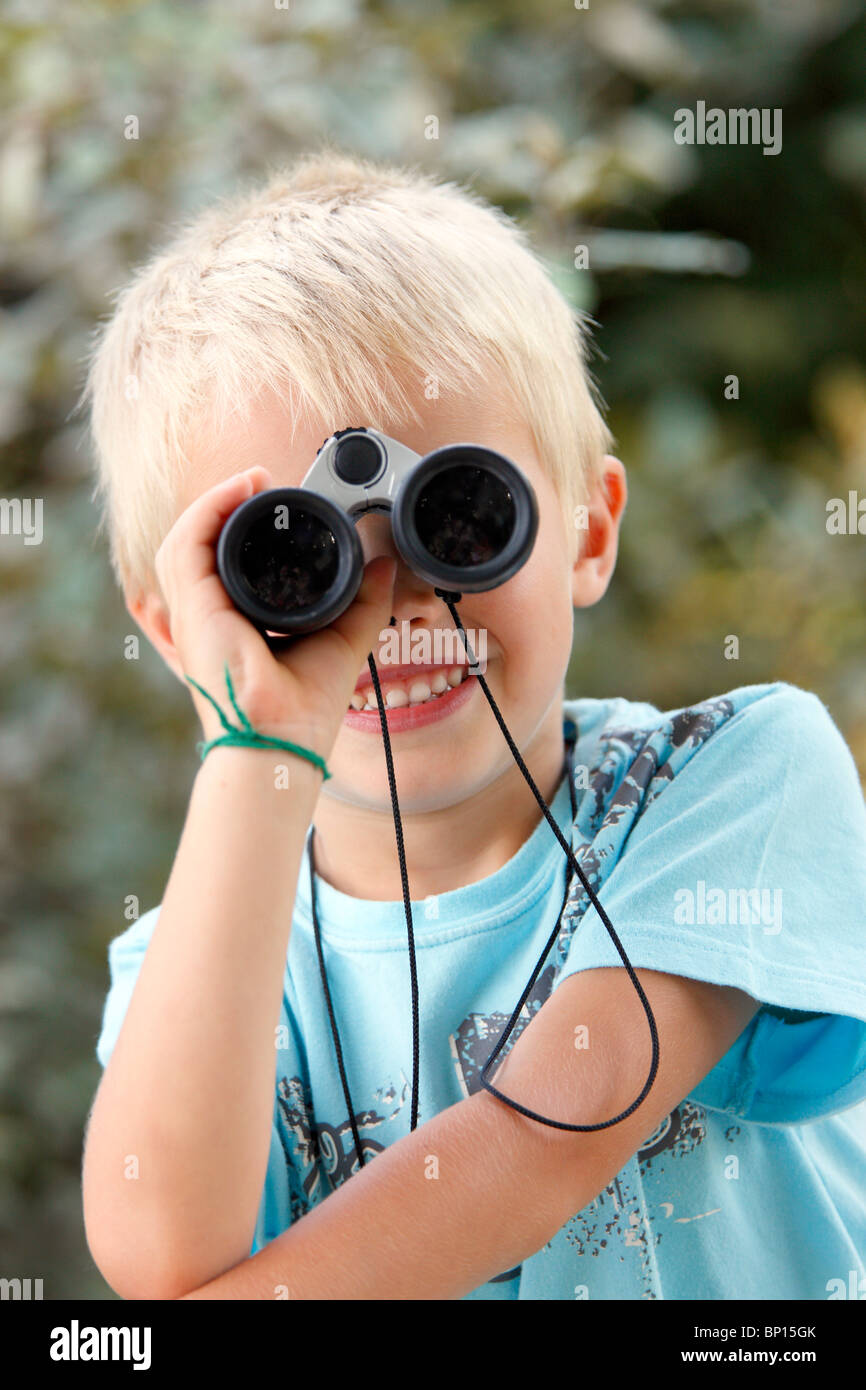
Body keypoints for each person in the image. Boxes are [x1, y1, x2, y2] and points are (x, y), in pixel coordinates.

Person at [80, 150, 866, 1301]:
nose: (392, 600)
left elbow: (546, 1133)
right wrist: (255, 746)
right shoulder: (194, 963)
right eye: (296, 556)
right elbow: (159, 1258)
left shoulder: (729, 780)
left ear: (586, 531)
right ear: (178, 621)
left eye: (456, 518)